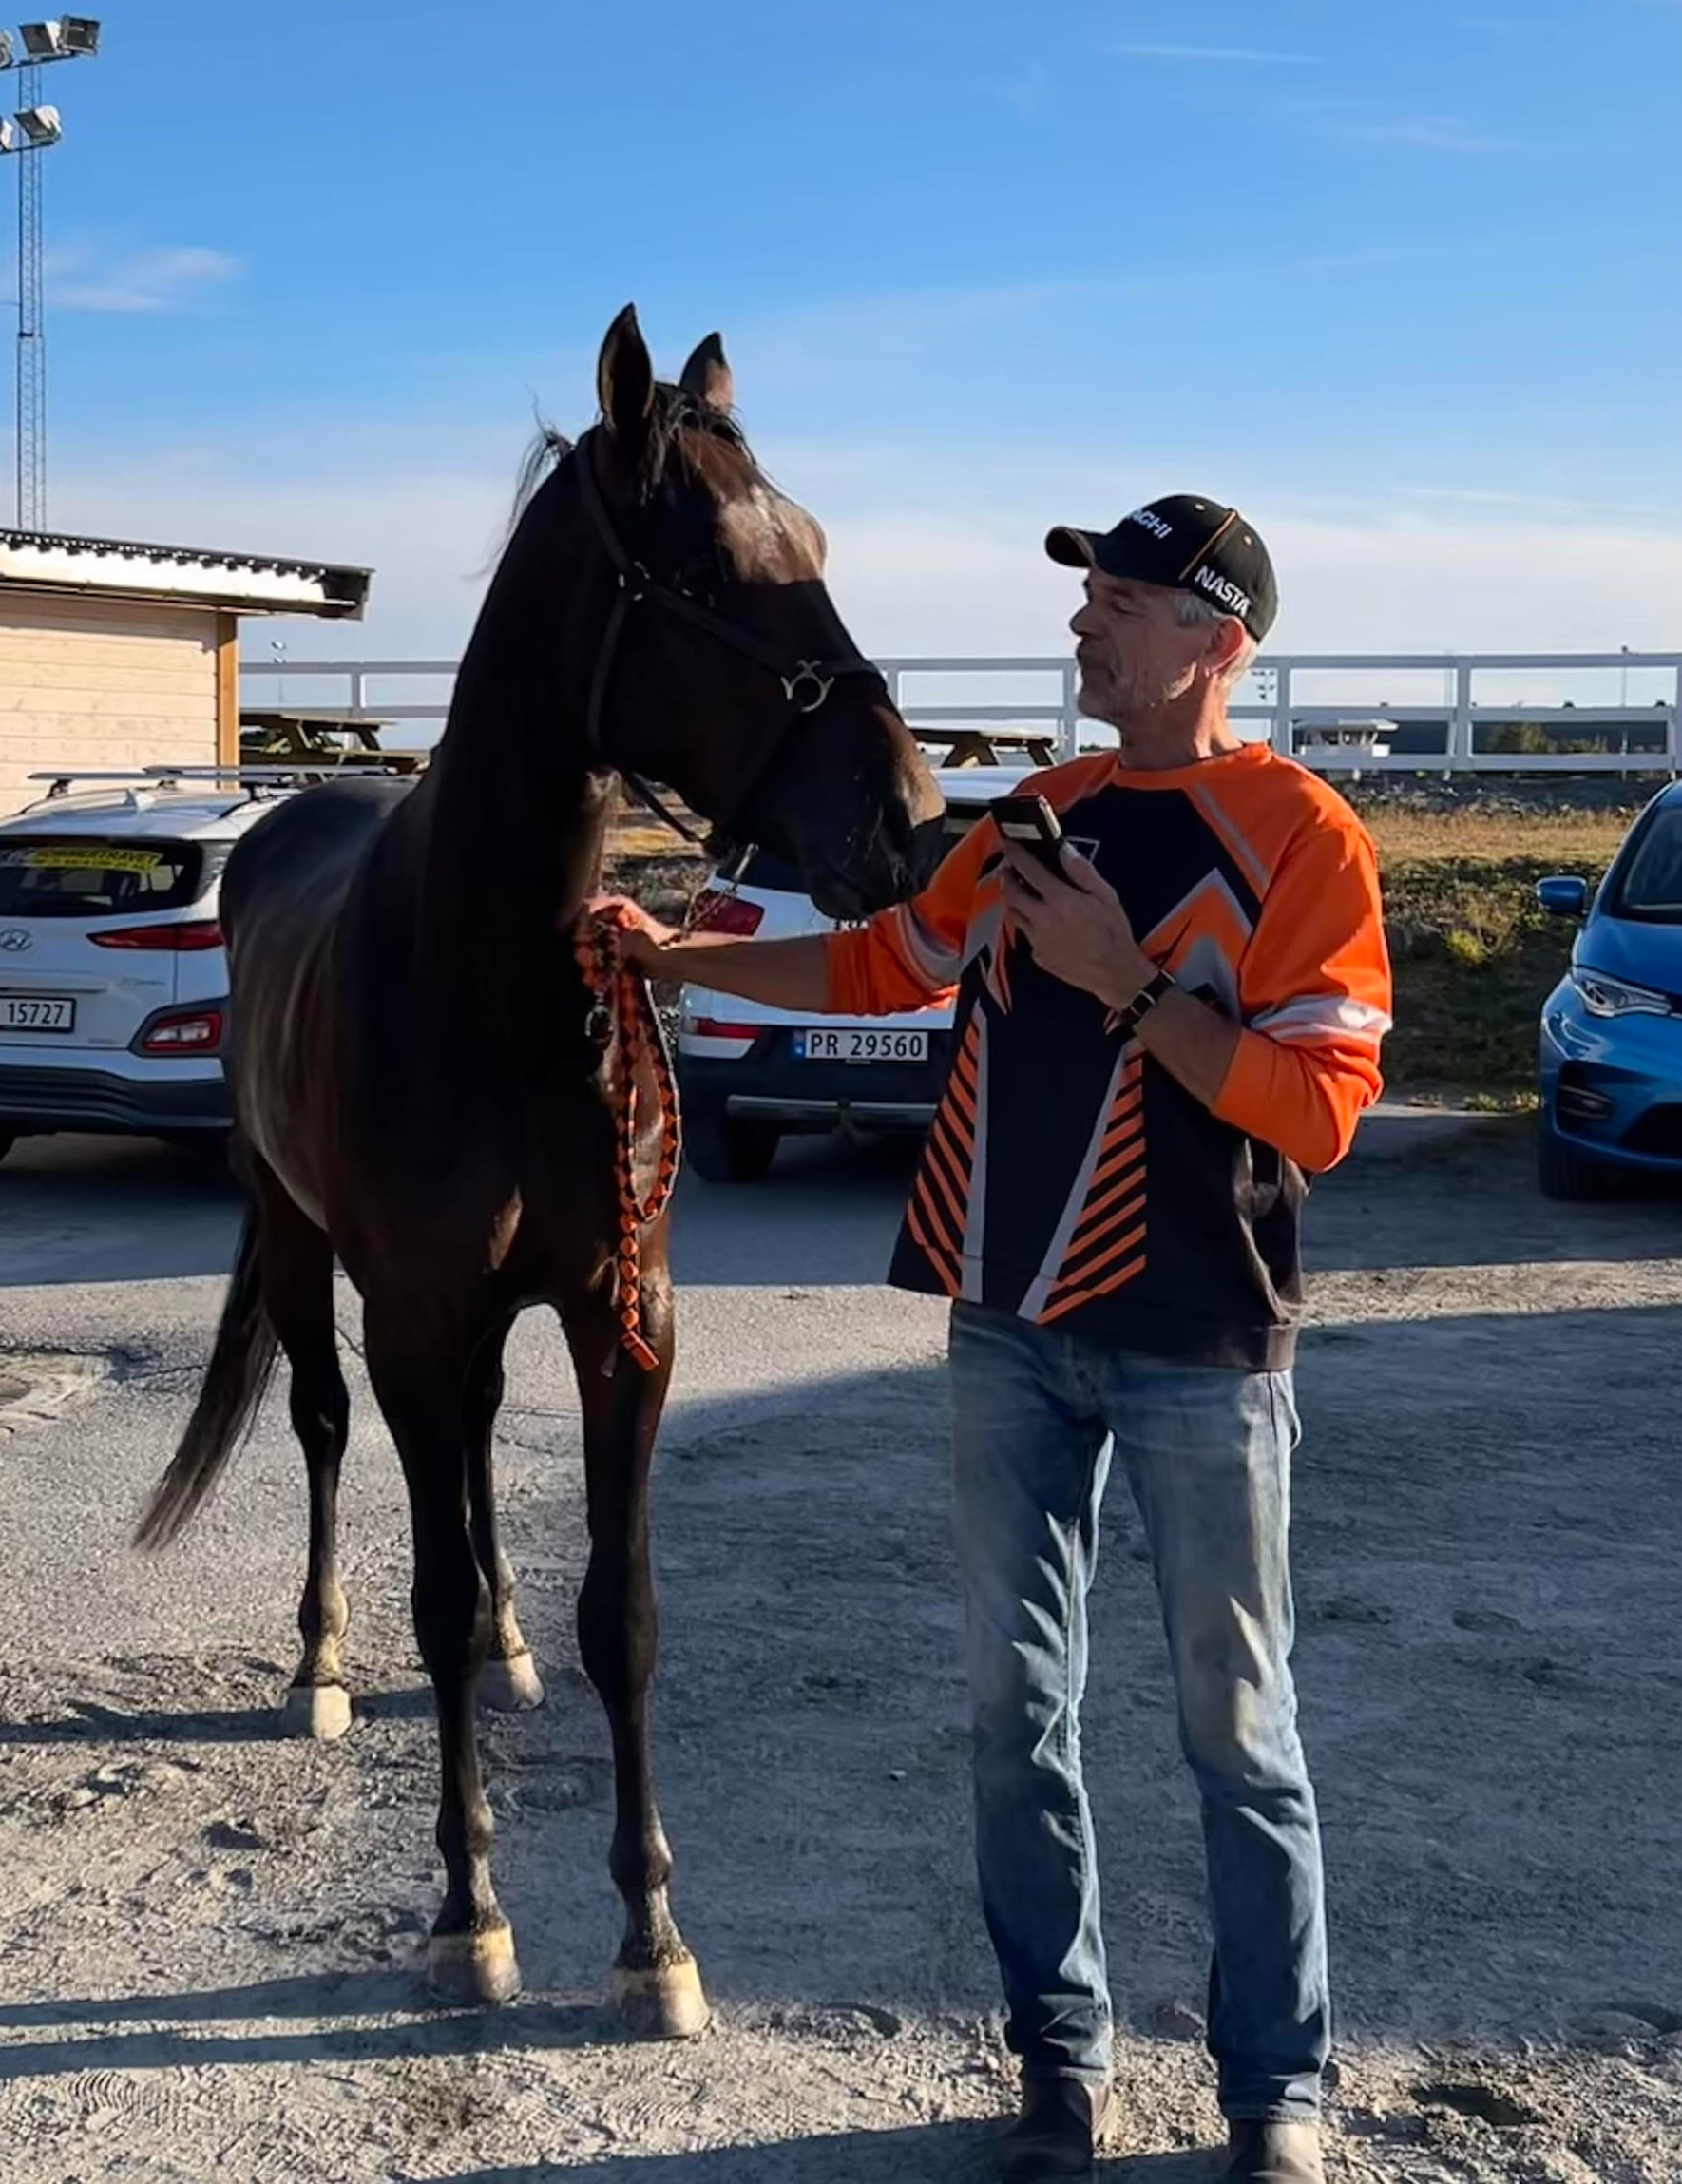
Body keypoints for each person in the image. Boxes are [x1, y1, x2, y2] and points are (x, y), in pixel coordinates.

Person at [623, 496, 1391, 2184]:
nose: (1083, 626)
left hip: (1199, 1339)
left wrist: (1128, 982)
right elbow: (896, 960)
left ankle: (1280, 2099)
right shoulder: (1036, 813)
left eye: (1119, 601)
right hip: (1008, 1328)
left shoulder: (1306, 835)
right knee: (1010, 1716)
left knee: (1237, 1731)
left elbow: (1320, 1116)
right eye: (1088, 597)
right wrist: (685, 958)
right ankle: (1064, 2066)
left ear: (1217, 641)